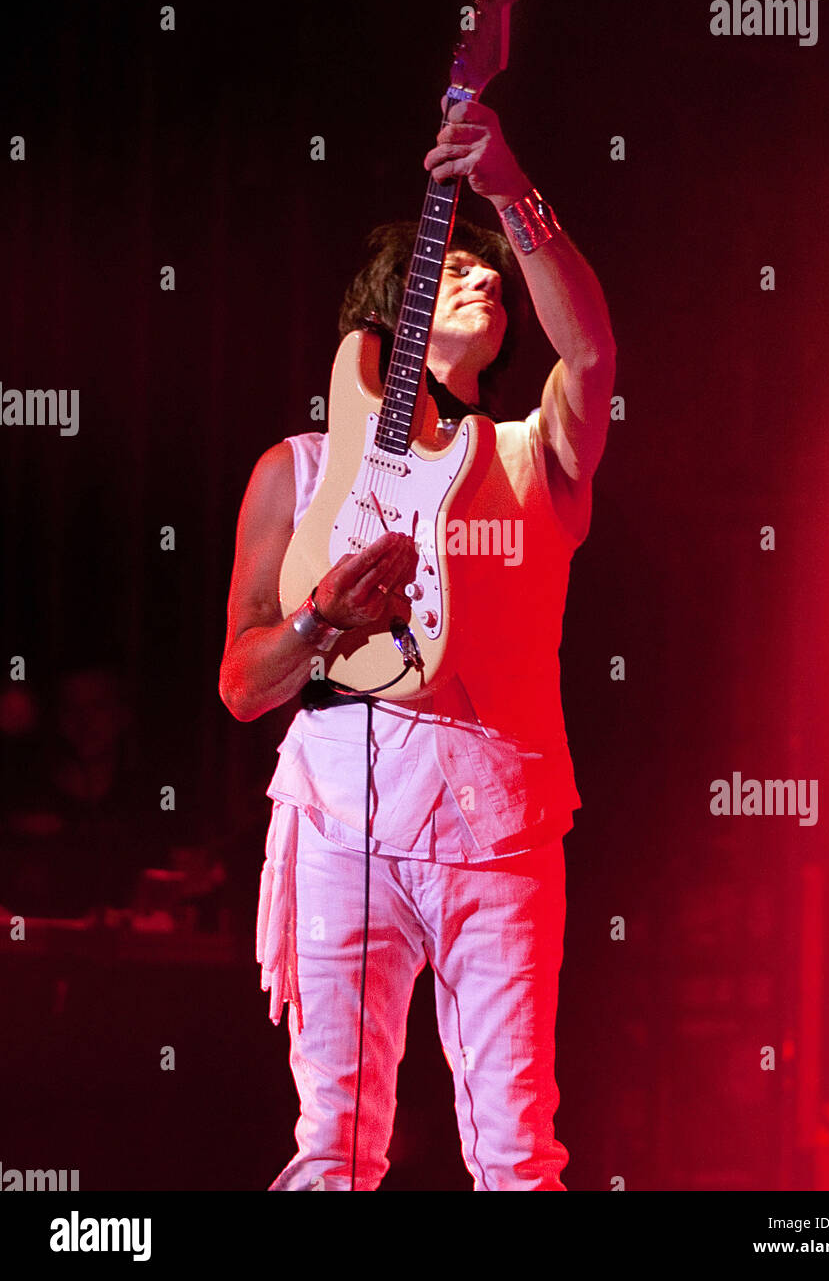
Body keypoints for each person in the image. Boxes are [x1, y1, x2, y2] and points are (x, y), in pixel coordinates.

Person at [218, 98, 616, 1190]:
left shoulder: (537, 452)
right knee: (335, 1147)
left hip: (501, 828)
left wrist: (509, 192)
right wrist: (316, 623)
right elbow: (243, 687)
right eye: (451, 273)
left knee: (515, 1150)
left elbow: (590, 345)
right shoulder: (297, 471)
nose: (482, 278)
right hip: (338, 820)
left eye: (492, 272)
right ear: (389, 322)